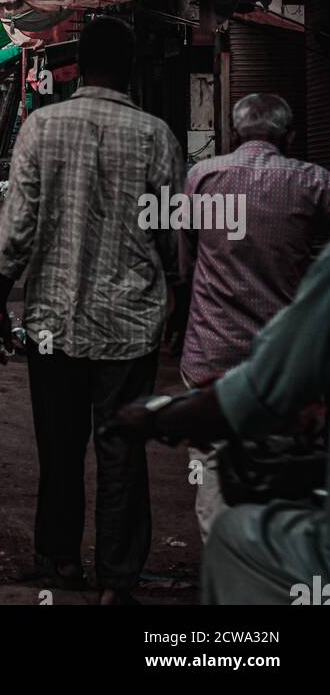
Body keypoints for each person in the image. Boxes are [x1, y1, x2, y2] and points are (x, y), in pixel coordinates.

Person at [0, 15, 183, 605]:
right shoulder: (156, 136)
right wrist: (180, 295)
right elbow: (169, 232)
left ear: (77, 65)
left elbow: (18, 226)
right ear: (130, 67)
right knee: (122, 453)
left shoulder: (41, 128)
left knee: (59, 447)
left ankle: (60, 561)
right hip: (130, 324)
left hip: (53, 322)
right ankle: (118, 581)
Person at [114, 240, 330, 605]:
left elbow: (257, 390)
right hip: (266, 362)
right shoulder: (315, 185)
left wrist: (166, 416)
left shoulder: (203, 180)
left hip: (228, 354)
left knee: (234, 533)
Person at [180, 93, 330, 542]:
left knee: (211, 467)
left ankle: (223, 569)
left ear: (232, 133)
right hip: (288, 362)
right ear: (290, 137)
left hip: (211, 355)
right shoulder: (316, 182)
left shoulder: (202, 176)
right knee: (287, 466)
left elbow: (187, 259)